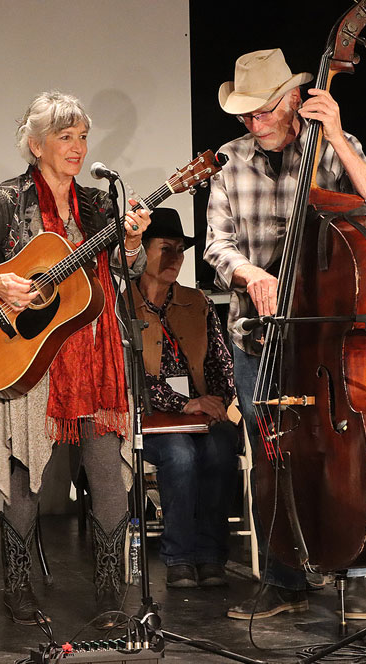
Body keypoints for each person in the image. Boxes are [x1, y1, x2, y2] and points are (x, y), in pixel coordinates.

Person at [0, 91, 152, 626]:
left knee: (107, 474)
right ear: (35, 145)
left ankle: (110, 598)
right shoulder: (5, 202)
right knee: (25, 475)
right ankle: (18, 589)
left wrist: (130, 247)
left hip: (97, 356)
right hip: (31, 354)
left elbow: (124, 274)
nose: (77, 147)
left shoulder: (102, 205)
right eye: (65, 137)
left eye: (82, 137)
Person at [205, 48, 366, 620]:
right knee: (271, 457)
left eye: (261, 111)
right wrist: (249, 272)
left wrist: (338, 136)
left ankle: (357, 568)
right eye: (244, 114)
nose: (251, 123)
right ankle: (284, 578)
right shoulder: (228, 159)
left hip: (325, 335)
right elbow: (217, 244)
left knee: (347, 450)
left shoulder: (334, 150)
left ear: (294, 99)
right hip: (256, 338)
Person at [134, 209, 239, 589]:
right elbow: (129, 377)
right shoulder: (120, 305)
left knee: (221, 447)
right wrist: (181, 404)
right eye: (165, 248)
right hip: (151, 417)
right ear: (141, 252)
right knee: (180, 455)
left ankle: (211, 556)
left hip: (199, 413)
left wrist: (214, 400)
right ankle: (179, 558)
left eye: (180, 250)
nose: (175, 258)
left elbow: (221, 362)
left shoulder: (197, 302)